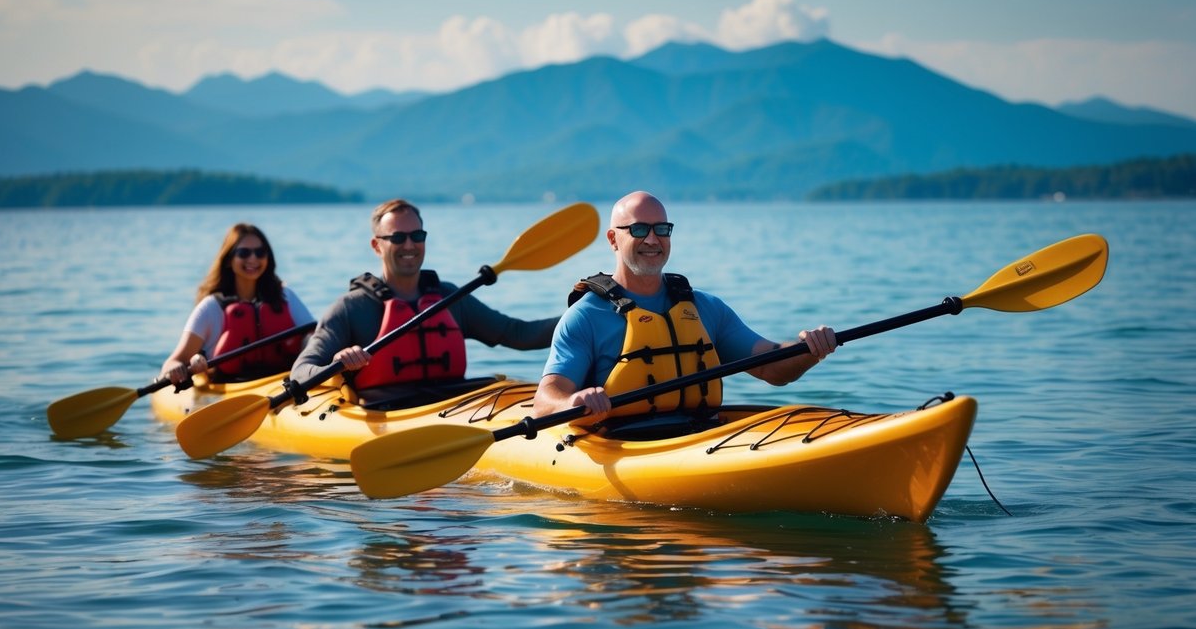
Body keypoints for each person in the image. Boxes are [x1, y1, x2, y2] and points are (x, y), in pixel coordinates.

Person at [533, 191, 838, 428]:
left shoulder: (706, 308)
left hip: (701, 436)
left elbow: (772, 366)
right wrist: (574, 401)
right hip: (621, 442)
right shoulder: (586, 317)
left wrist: (808, 349)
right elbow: (545, 402)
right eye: (639, 230)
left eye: (662, 229)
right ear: (613, 239)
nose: (653, 240)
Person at [290, 198, 559, 405]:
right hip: (385, 409)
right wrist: (336, 365)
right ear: (376, 246)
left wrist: (582, 315)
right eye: (397, 238)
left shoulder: (450, 298)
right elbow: (300, 372)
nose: (409, 245)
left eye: (417, 236)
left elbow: (519, 334)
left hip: (454, 403)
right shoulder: (351, 308)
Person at [160, 223, 314, 385]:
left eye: (260, 252)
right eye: (244, 253)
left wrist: (308, 344)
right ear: (228, 260)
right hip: (231, 389)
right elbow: (172, 362)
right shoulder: (211, 307)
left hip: (283, 384)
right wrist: (180, 368)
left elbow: (315, 336)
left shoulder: (285, 296)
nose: (253, 258)